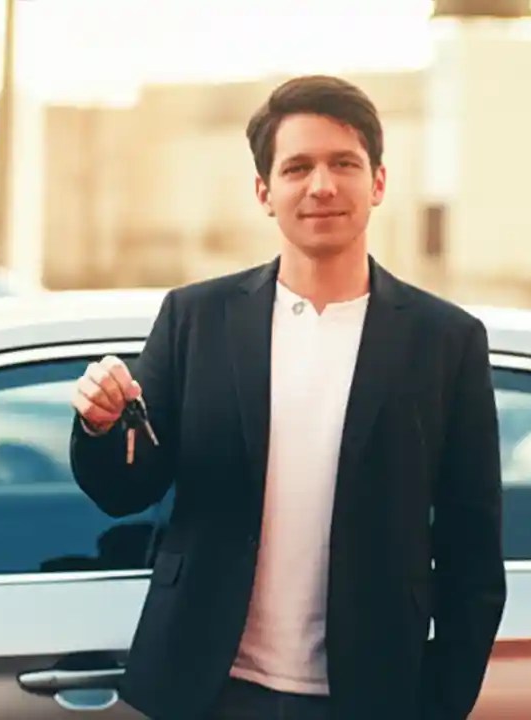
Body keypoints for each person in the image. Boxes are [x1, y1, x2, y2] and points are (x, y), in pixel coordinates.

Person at [69, 75, 506, 720]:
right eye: (297, 167)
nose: (321, 185)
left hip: (368, 696)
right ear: (264, 192)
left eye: (343, 164)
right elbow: (127, 489)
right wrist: (102, 425)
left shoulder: (444, 342)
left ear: (378, 183)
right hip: (209, 687)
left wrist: (439, 703)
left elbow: (473, 547)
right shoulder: (198, 319)